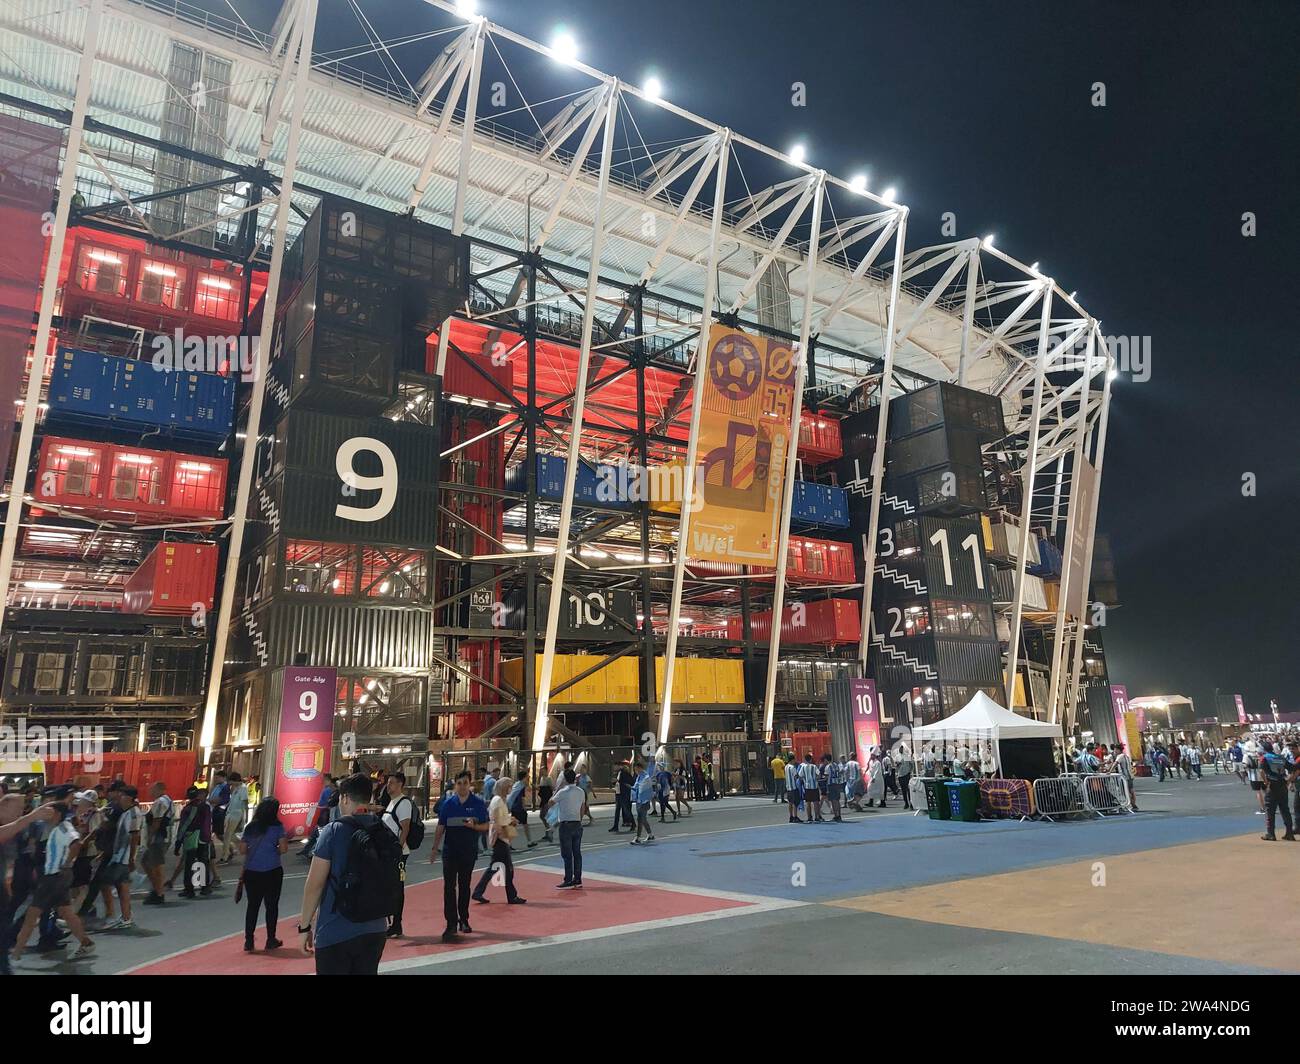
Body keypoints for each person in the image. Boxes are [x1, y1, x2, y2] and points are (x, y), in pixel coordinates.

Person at [299, 774, 391, 974]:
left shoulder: (334, 831)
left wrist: (304, 927)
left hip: (336, 930)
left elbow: (314, 884)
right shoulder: (382, 829)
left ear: (346, 798)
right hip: (375, 928)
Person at [9, 793, 94, 967]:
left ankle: (16, 952)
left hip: (54, 877)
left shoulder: (63, 828)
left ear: (57, 813)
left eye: (49, 810)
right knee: (66, 912)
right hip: (57, 876)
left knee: (33, 913)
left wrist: (67, 863)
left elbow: (77, 843)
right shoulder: (55, 828)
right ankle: (86, 943)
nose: (45, 812)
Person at [430, 770, 489, 943]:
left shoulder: (477, 803)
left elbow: (486, 825)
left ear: (470, 784)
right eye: (459, 783)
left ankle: (464, 919)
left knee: (464, 886)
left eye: (465, 782)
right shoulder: (448, 804)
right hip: (450, 851)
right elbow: (441, 826)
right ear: (455, 785)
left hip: (468, 851)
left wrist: (475, 827)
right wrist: (435, 848)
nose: (462, 786)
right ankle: (451, 923)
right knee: (449, 887)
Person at [239, 797, 289, 951]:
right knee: (271, 906)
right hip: (272, 870)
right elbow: (283, 849)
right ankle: (271, 939)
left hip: (252, 871)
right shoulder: (277, 827)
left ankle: (249, 940)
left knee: (252, 906)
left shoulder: (251, 827)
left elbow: (242, 849)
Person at [472, 778, 526, 906]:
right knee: (505, 868)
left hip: (501, 837)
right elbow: (496, 818)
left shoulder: (500, 800)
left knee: (497, 867)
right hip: (500, 837)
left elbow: (499, 817)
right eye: (508, 786)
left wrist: (509, 820)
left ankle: (480, 892)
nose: (510, 788)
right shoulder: (498, 800)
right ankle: (510, 896)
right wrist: (505, 825)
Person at [98, 786, 141, 930]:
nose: (118, 799)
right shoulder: (126, 813)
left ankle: (116, 916)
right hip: (119, 856)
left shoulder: (133, 814)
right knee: (122, 886)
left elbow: (135, 836)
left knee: (106, 883)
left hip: (122, 857)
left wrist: (131, 858)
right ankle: (126, 916)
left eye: (121, 796)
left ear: (128, 798)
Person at [381, 772, 415, 938]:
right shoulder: (392, 802)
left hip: (398, 854)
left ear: (400, 784)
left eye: (392, 783)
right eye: (388, 783)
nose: (388, 786)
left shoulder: (403, 803)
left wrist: (398, 850)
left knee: (397, 888)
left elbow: (405, 827)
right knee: (390, 887)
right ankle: (392, 921)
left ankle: (397, 923)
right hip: (390, 853)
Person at [174, 786, 213, 897]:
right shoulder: (206, 807)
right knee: (203, 862)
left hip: (191, 838)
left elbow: (184, 826)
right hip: (204, 837)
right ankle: (205, 887)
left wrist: (178, 842)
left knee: (190, 864)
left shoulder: (188, 809)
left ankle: (189, 889)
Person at [552, 768, 586, 889]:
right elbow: (583, 807)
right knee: (577, 852)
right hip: (577, 823)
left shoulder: (563, 792)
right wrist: (580, 819)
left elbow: (551, 802)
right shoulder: (581, 791)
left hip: (565, 824)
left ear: (565, 779)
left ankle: (568, 879)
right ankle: (577, 878)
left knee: (567, 853)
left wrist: (558, 788)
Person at [141, 782, 173, 905]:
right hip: (162, 836)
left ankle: (158, 892)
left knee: (156, 865)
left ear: (158, 790)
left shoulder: (160, 802)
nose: (150, 793)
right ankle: (156, 888)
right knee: (147, 861)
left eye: (152, 790)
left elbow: (157, 821)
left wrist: (150, 837)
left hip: (158, 837)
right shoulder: (168, 800)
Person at [1258, 741, 1295, 841]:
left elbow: (1261, 771)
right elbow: (1293, 769)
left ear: (1263, 749)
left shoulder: (1265, 758)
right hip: (1282, 785)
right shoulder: (1280, 757)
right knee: (1285, 810)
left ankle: (1271, 833)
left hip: (1272, 786)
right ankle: (1289, 833)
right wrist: (1288, 780)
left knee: (1270, 810)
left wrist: (1266, 782)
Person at [301, 776, 336, 860]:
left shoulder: (331, 792)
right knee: (317, 832)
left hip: (325, 813)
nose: (322, 782)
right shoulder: (331, 791)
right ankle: (308, 850)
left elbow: (328, 803)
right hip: (325, 813)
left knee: (320, 832)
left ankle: (313, 852)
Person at [219, 773, 249, 862]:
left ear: (235, 780)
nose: (230, 783)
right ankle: (244, 844)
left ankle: (224, 855)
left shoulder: (243, 788)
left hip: (237, 813)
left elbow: (245, 802)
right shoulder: (236, 788)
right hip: (231, 813)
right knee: (229, 834)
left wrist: (245, 815)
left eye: (231, 781)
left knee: (227, 834)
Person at [507, 770, 537, 849]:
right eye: (527, 777)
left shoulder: (516, 785)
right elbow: (522, 798)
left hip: (514, 807)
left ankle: (509, 843)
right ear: (524, 778)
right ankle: (529, 841)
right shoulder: (521, 786)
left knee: (516, 825)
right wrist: (524, 808)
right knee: (521, 825)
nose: (528, 778)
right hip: (519, 808)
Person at [630, 760, 656, 844]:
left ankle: (637, 837)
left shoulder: (646, 777)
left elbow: (644, 788)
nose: (636, 771)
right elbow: (636, 787)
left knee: (640, 819)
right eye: (635, 770)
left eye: (637, 769)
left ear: (640, 768)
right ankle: (650, 834)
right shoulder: (639, 777)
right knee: (643, 819)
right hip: (639, 800)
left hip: (644, 801)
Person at [611, 761, 634, 833]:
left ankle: (633, 824)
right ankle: (615, 826)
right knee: (617, 811)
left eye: (615, 766)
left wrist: (618, 781)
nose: (614, 768)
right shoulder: (617, 773)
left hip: (624, 794)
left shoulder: (624, 773)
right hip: (618, 793)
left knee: (626, 810)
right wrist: (614, 782)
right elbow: (617, 783)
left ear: (619, 766)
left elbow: (629, 782)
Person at [798, 753, 822, 823]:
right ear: (811, 759)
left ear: (805, 759)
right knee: (816, 802)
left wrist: (805, 780)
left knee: (808, 803)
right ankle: (817, 817)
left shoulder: (803, 767)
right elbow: (819, 775)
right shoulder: (814, 766)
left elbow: (800, 776)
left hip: (807, 786)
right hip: (814, 786)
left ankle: (809, 817)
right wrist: (815, 779)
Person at [1113, 743, 1137, 811]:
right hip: (1130, 776)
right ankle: (1133, 804)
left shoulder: (1120, 756)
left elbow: (1115, 763)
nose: (1114, 751)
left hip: (1124, 777)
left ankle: (1129, 805)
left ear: (1118, 750)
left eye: (1115, 750)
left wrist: (1109, 771)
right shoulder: (1126, 756)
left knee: (1126, 791)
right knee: (1131, 791)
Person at [821, 753, 844, 823]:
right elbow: (840, 772)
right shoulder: (836, 765)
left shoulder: (828, 767)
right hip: (837, 783)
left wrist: (822, 777)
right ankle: (839, 815)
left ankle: (836, 815)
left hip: (831, 784)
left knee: (833, 801)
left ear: (826, 759)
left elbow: (826, 776)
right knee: (837, 800)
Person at [895, 744, 915, 810]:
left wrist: (910, 771)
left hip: (906, 774)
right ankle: (906, 803)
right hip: (900, 774)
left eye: (901, 748)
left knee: (908, 789)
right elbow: (895, 766)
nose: (900, 750)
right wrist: (897, 764)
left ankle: (911, 803)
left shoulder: (907, 756)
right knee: (903, 790)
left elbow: (912, 764)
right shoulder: (897, 756)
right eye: (899, 748)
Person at [537, 772, 555, 845]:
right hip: (544, 800)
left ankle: (549, 832)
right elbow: (540, 789)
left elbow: (551, 788)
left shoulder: (549, 780)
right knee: (542, 816)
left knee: (544, 816)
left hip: (546, 800)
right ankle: (548, 832)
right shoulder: (542, 780)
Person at [784, 755, 802, 823]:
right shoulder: (792, 767)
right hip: (794, 787)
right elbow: (795, 777)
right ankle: (795, 816)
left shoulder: (786, 767)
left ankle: (791, 816)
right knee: (795, 803)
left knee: (790, 802)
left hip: (788, 787)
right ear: (792, 760)